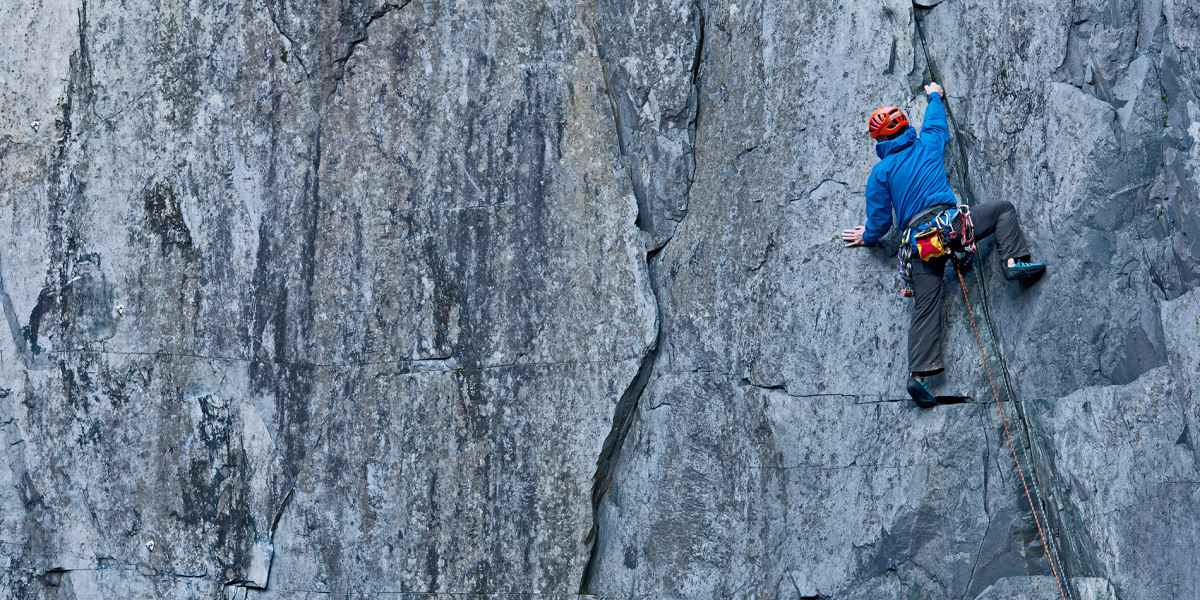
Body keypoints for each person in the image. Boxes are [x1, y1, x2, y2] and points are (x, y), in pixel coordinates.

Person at [841, 82, 1045, 408]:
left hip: (919, 246)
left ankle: (918, 377)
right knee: (1002, 210)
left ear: (880, 141)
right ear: (906, 127)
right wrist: (934, 94)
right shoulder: (928, 142)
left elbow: (880, 222)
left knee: (926, 306)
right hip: (951, 228)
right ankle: (1013, 263)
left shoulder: (880, 172)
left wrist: (866, 236)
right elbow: (936, 122)